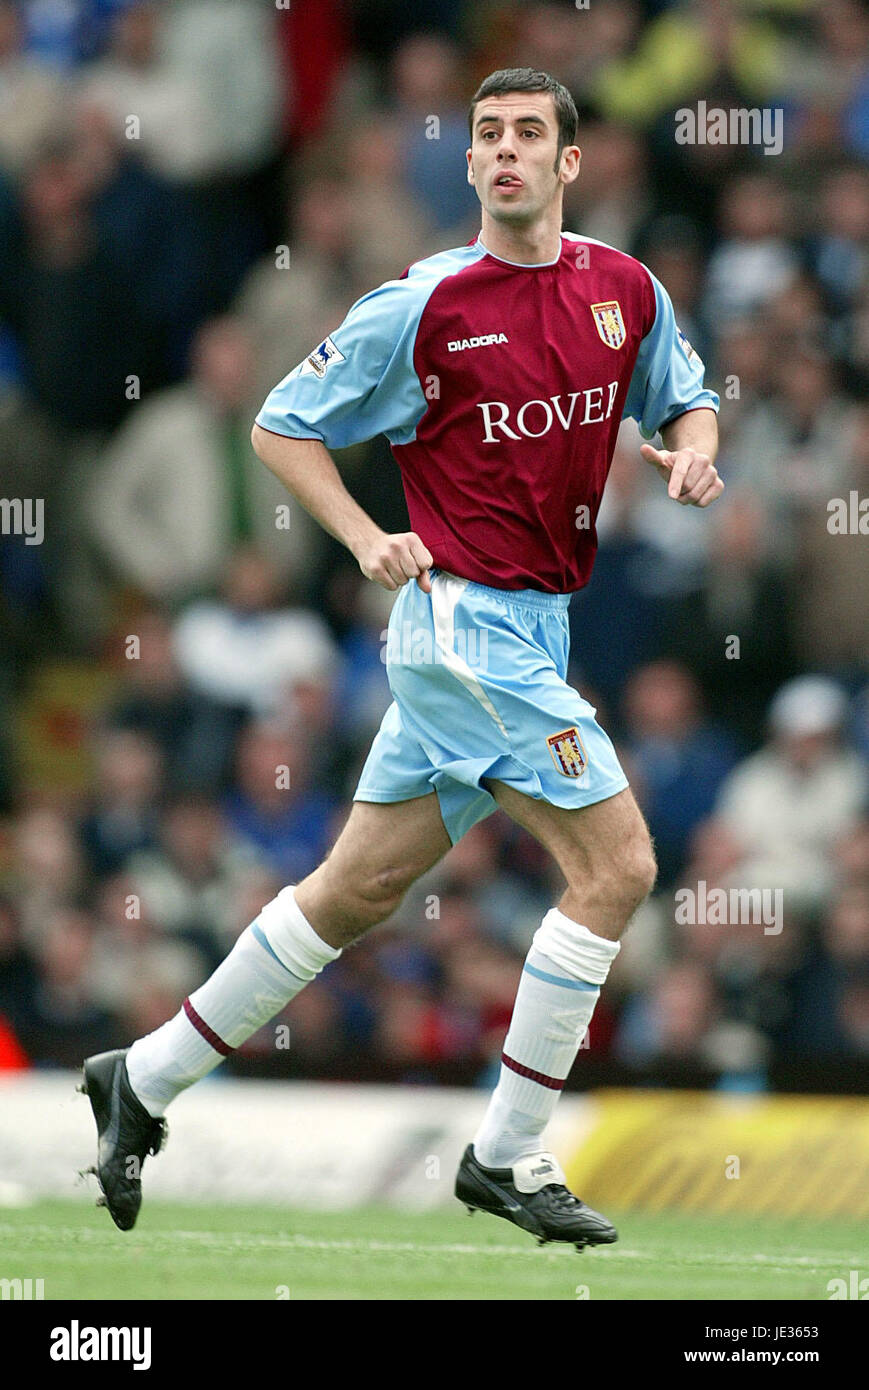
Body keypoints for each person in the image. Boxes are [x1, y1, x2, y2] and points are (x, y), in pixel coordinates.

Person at [81, 68, 722, 1249]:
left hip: (535, 624)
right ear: (471, 164)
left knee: (354, 890)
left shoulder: (622, 290)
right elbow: (280, 424)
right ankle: (508, 1151)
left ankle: (145, 1078)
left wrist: (689, 453)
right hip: (460, 624)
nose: (507, 151)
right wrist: (367, 534)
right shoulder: (423, 302)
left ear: (569, 164)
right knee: (617, 865)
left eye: (531, 134)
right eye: (487, 136)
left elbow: (683, 400)